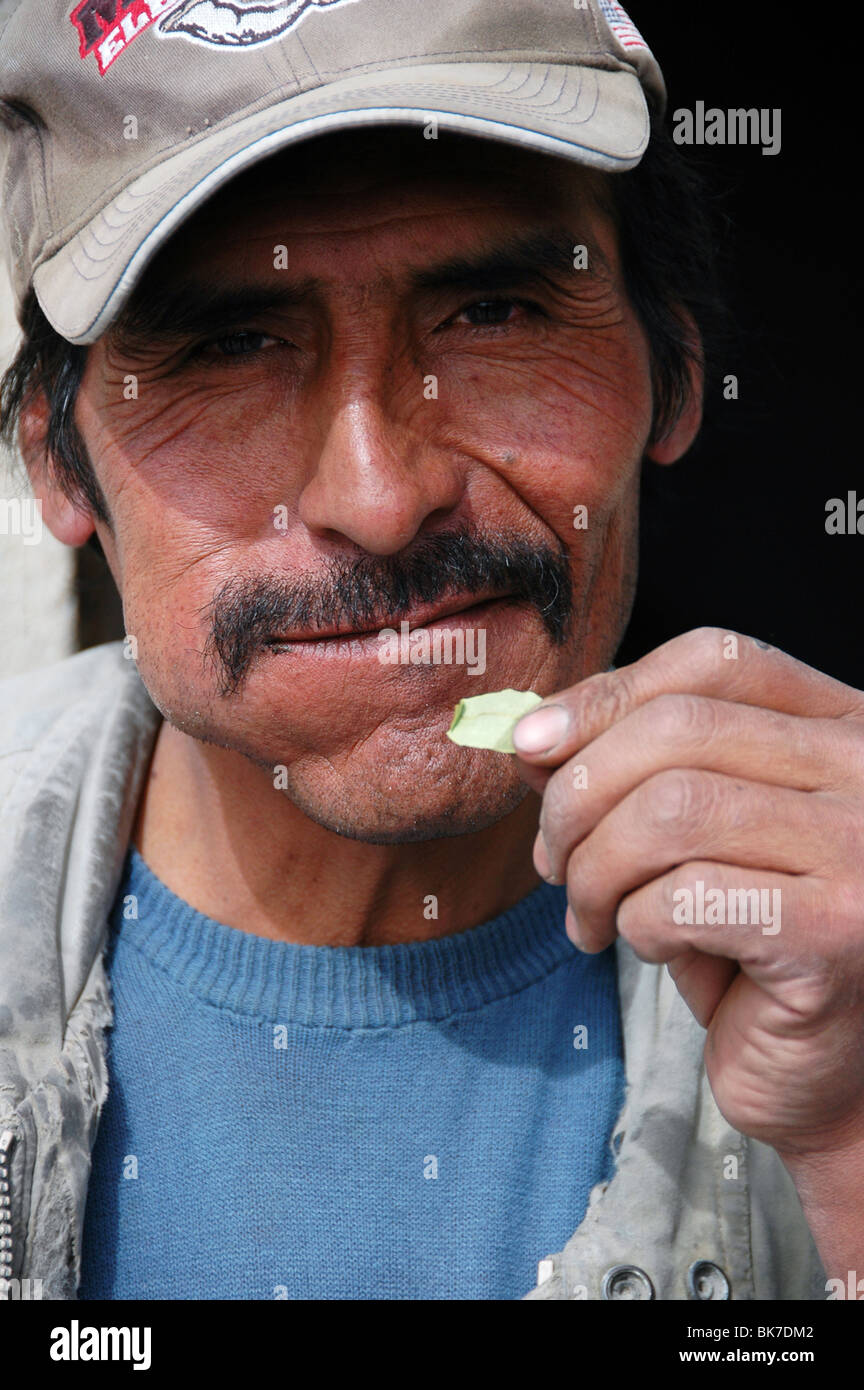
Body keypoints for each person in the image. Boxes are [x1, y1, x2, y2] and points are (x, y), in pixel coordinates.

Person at [0, 0, 859, 1302]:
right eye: (232, 345)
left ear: (674, 374)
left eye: (497, 313)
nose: (379, 494)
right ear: (54, 458)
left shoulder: (835, 957)